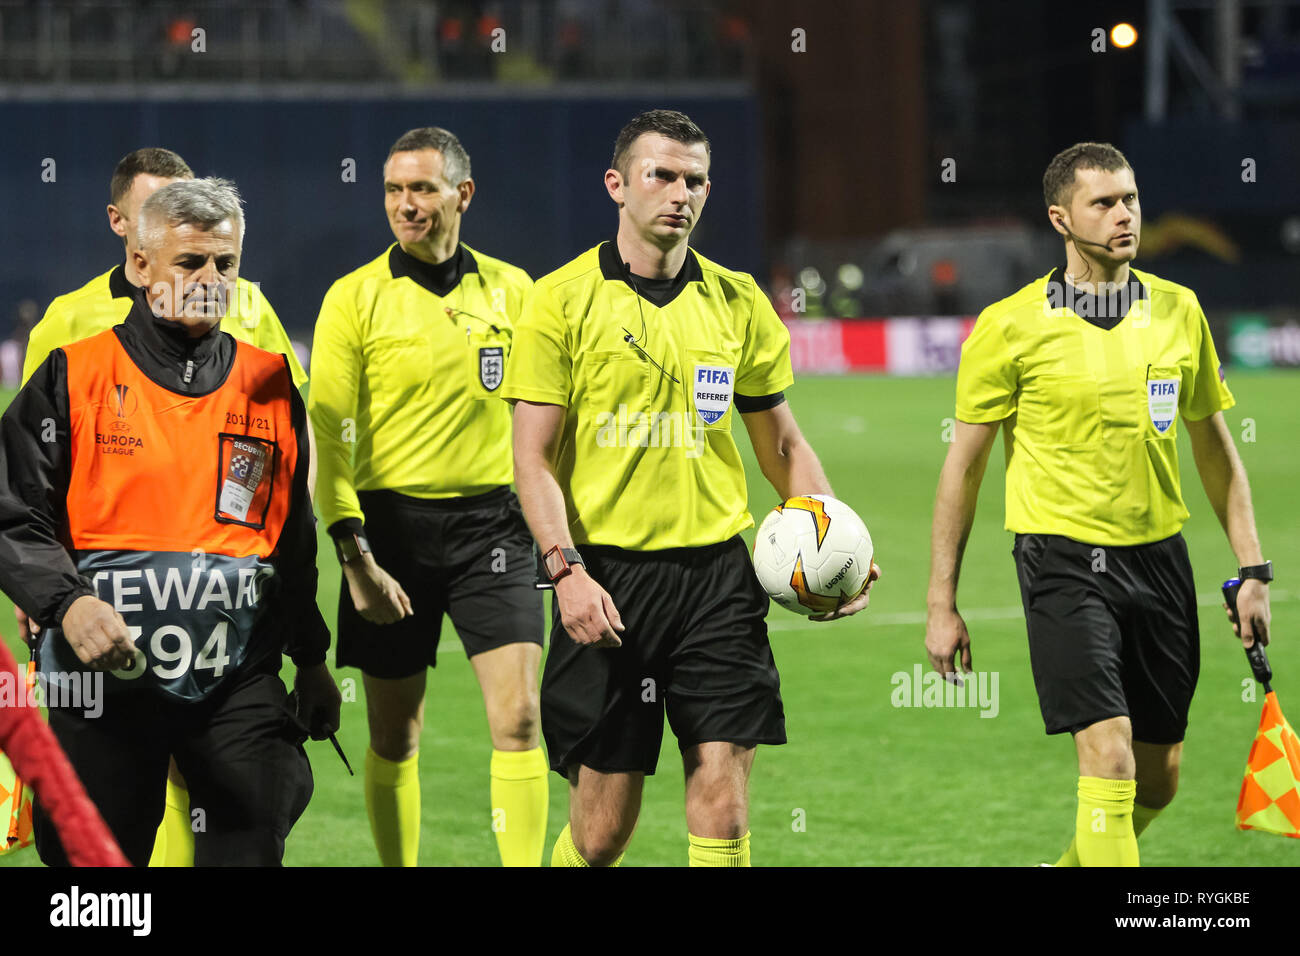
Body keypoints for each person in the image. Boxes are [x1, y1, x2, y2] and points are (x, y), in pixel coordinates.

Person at [501, 109, 879, 867]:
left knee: (723, 792)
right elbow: (531, 459)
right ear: (617, 185)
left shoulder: (737, 301)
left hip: (716, 579)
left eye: (695, 180)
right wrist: (564, 572)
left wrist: (835, 536)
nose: (680, 193)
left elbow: (782, 443)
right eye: (661, 176)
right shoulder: (560, 301)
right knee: (602, 833)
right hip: (606, 580)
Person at [925, 142, 1271, 866]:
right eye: (1104, 203)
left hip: (1161, 561)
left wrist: (1251, 569)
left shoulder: (1179, 311)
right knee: (1107, 760)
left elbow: (1215, 450)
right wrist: (941, 601)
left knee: (1160, 777)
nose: (1125, 216)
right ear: (1061, 217)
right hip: (1063, 562)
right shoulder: (1009, 326)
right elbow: (964, 468)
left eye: (1131, 199)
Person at [0, 178, 340, 867]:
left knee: (247, 843)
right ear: (140, 267)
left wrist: (311, 660)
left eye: (227, 264)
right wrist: (65, 604)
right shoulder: (74, 376)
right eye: (190, 263)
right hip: (102, 687)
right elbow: (13, 511)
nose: (211, 280)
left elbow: (290, 541)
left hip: (235, 681)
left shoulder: (271, 382)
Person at [308, 127, 546, 867]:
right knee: (395, 734)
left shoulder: (515, 291)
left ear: (462, 194)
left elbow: (544, 426)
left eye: (422, 189)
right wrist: (355, 558)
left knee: (520, 719)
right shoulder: (354, 299)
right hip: (388, 534)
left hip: (494, 528)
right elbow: (330, 446)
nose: (405, 205)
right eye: (393, 190)